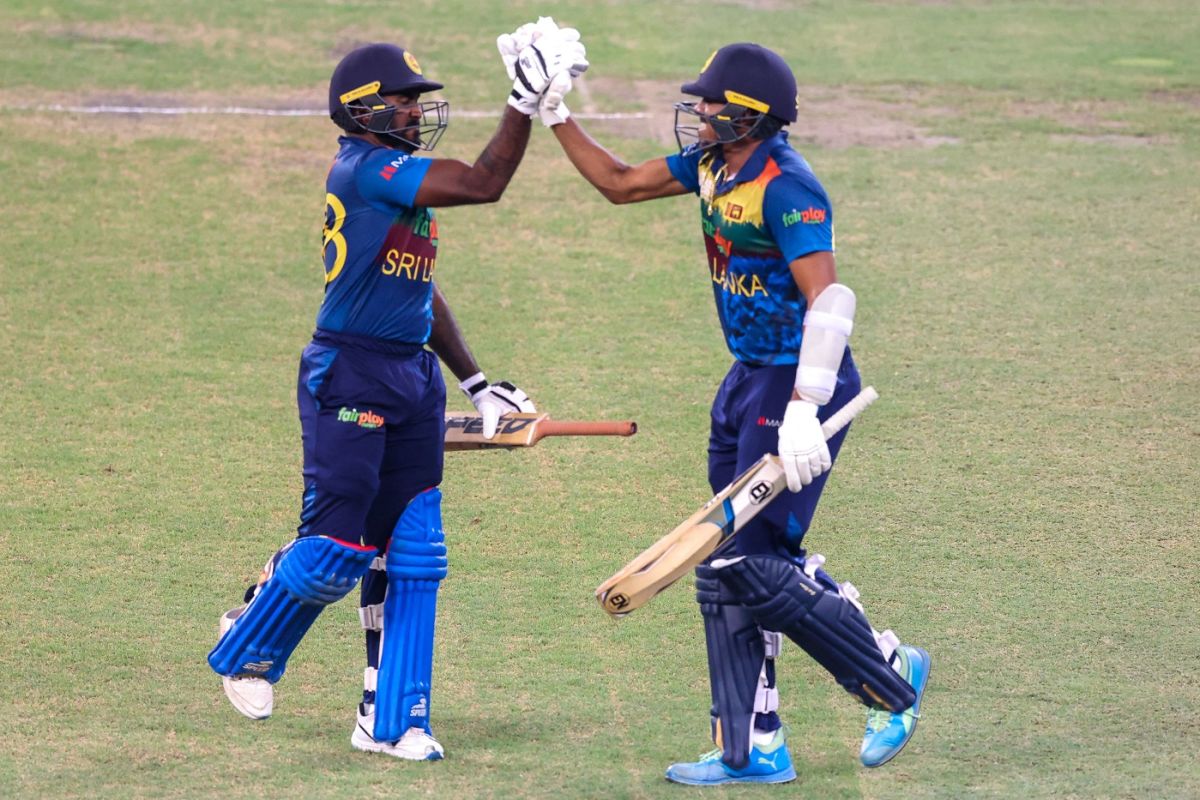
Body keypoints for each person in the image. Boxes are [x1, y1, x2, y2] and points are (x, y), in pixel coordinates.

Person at [527, 39, 931, 784]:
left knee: (747, 558)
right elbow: (619, 184)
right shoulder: (713, 167)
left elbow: (829, 300)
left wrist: (808, 405)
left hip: (798, 387)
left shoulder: (788, 186)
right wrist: (552, 114)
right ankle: (754, 744)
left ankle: (890, 679)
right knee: (736, 563)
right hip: (748, 382)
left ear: (748, 114)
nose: (699, 112)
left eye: (711, 103)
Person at [207, 32, 587, 761]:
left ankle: (392, 720)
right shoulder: (367, 170)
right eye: (404, 103)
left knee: (416, 550)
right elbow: (484, 184)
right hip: (348, 373)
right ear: (362, 111)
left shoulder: (397, 182)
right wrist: (520, 104)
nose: (417, 113)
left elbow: (419, 290)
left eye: (419, 102)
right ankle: (251, 633)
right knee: (336, 550)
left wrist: (476, 383)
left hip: (411, 376)